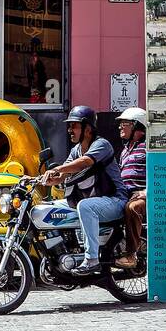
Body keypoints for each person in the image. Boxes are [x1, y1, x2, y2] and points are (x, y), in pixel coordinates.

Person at [41, 105, 129, 274]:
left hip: (115, 201)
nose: (69, 130)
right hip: (96, 201)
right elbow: (64, 174)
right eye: (69, 126)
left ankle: (92, 259)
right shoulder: (76, 150)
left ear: (87, 128)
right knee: (50, 207)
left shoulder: (101, 145)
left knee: (85, 206)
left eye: (73, 125)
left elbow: (85, 162)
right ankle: (62, 254)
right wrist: (40, 179)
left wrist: (58, 169)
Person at [114, 107, 148, 269]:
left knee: (133, 208)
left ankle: (131, 255)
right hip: (125, 194)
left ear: (137, 126)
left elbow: (160, 173)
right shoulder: (125, 150)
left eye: (125, 124)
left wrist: (145, 192)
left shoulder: (148, 148)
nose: (120, 127)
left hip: (145, 198)